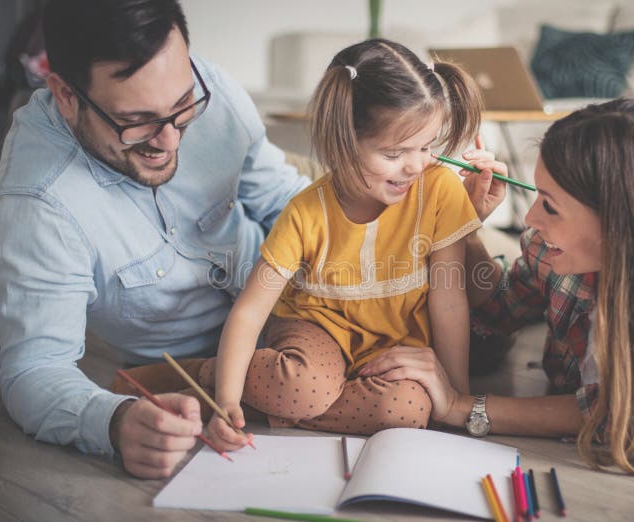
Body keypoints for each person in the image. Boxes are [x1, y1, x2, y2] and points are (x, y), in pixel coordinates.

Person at [115, 37, 509, 451]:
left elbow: (449, 300)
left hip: (393, 345)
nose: (415, 165)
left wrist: (456, 398)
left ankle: (267, 396)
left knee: (408, 410)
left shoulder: (440, 189)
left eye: (425, 147)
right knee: (300, 386)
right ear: (343, 141)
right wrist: (225, 402)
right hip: (314, 333)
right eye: (395, 154)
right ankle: (211, 376)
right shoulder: (305, 213)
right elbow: (249, 312)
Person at [0, 0, 310, 479]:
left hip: (301, 303)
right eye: (136, 121)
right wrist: (114, 421)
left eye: (182, 107)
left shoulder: (210, 89)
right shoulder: (37, 207)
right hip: (199, 376)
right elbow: (35, 370)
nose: (170, 141)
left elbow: (285, 201)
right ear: (66, 95)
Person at [359, 98, 634, 477]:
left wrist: (462, 406)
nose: (530, 219)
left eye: (550, 206)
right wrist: (465, 226)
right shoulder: (552, 252)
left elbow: (620, 413)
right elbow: (498, 308)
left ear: (621, 224)